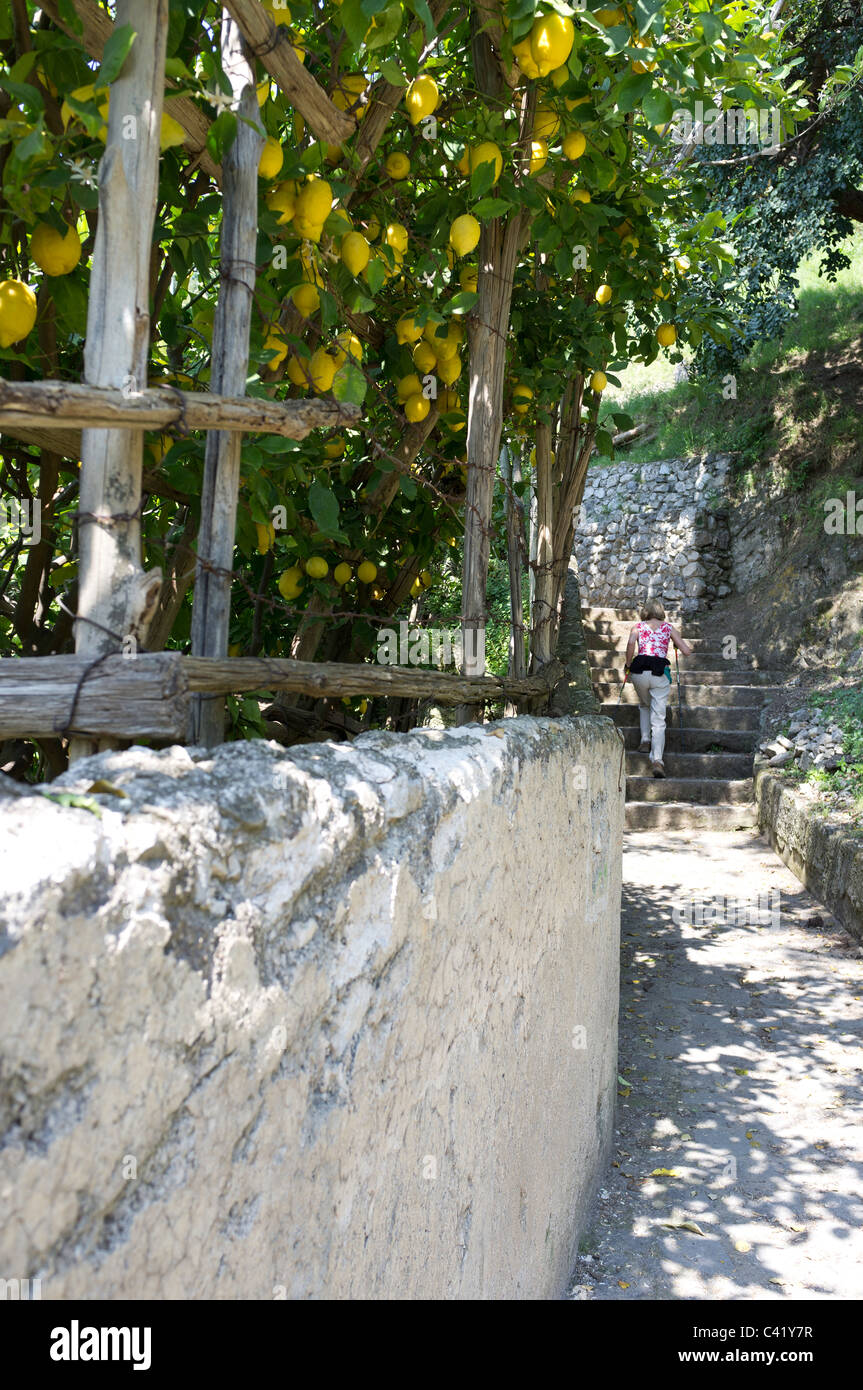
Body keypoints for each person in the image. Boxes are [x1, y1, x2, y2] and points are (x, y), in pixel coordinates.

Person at [624, 598, 693, 778]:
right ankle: (657, 760)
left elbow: (631, 643)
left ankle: (645, 739)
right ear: (661, 612)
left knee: (645, 704)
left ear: (645, 611)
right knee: (659, 718)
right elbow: (687, 651)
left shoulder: (638, 627)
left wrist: (627, 663)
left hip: (639, 671)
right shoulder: (668, 628)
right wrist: (679, 644)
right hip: (659, 672)